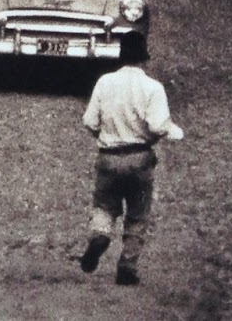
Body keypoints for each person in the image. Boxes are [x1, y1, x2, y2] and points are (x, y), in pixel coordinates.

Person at [79, 31, 185, 286]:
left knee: (104, 206)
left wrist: (104, 135)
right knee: (138, 213)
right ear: (144, 58)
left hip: (109, 156)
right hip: (139, 158)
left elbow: (90, 121)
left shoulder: (104, 82)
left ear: (120, 55)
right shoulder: (153, 88)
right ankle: (127, 266)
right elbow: (158, 125)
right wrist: (171, 131)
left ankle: (100, 235)